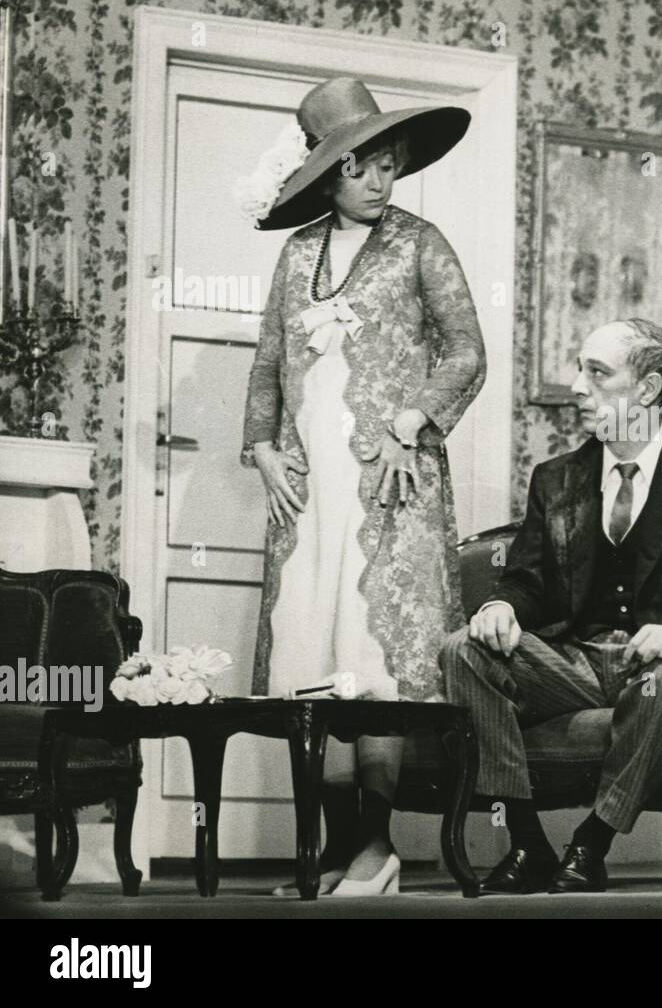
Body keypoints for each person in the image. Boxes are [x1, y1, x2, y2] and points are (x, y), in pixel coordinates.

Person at [239, 78, 485, 896]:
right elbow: (270, 362)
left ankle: (379, 849)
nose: (383, 181)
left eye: (391, 164)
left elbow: (465, 353)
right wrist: (262, 450)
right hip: (310, 490)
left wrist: (411, 421)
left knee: (373, 663)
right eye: (366, 167)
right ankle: (336, 849)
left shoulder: (422, 243)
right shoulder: (297, 251)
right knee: (316, 657)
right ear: (330, 174)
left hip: (389, 484)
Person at [442, 318, 662, 893]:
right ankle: (526, 842)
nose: (577, 386)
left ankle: (592, 842)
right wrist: (503, 608)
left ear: (647, 389)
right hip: (580, 665)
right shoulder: (557, 478)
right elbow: (525, 580)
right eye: (578, 369)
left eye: (596, 372)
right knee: (464, 649)